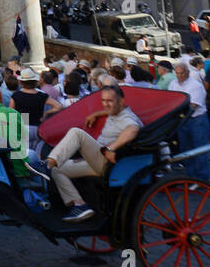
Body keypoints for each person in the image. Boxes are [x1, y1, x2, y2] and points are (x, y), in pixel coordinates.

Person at [30, 85, 142, 222]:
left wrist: (112, 148)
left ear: (121, 101)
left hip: (108, 162)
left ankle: (47, 164)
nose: (106, 104)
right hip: (98, 160)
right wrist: (96, 114)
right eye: (103, 100)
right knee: (57, 169)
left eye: (110, 101)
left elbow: (133, 129)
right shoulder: (117, 111)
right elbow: (110, 110)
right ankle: (80, 205)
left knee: (76, 133)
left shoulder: (128, 118)